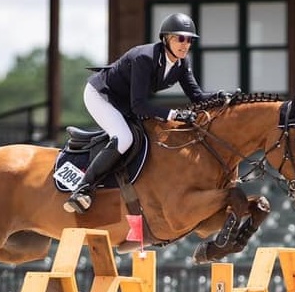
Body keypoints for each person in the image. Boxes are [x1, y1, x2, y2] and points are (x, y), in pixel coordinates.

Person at [64, 12, 217, 214]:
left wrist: (222, 97)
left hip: (124, 101)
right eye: (180, 38)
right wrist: (174, 114)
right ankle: (82, 189)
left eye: (189, 40)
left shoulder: (182, 63)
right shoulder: (145, 57)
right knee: (125, 138)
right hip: (101, 95)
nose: (185, 44)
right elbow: (139, 106)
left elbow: (197, 96)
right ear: (166, 39)